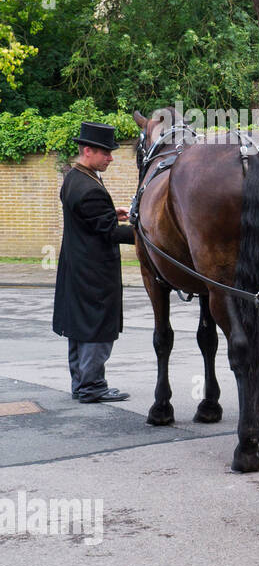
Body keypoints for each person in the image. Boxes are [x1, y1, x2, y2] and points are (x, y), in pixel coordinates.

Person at [52, 121, 136, 403]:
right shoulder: (89, 188)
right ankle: (92, 386)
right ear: (88, 151)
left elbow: (93, 219)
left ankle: (81, 383)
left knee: (79, 327)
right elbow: (109, 232)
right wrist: (149, 232)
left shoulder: (75, 178)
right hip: (94, 272)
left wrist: (111, 212)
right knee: (96, 327)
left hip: (77, 267)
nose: (111, 157)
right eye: (106, 153)